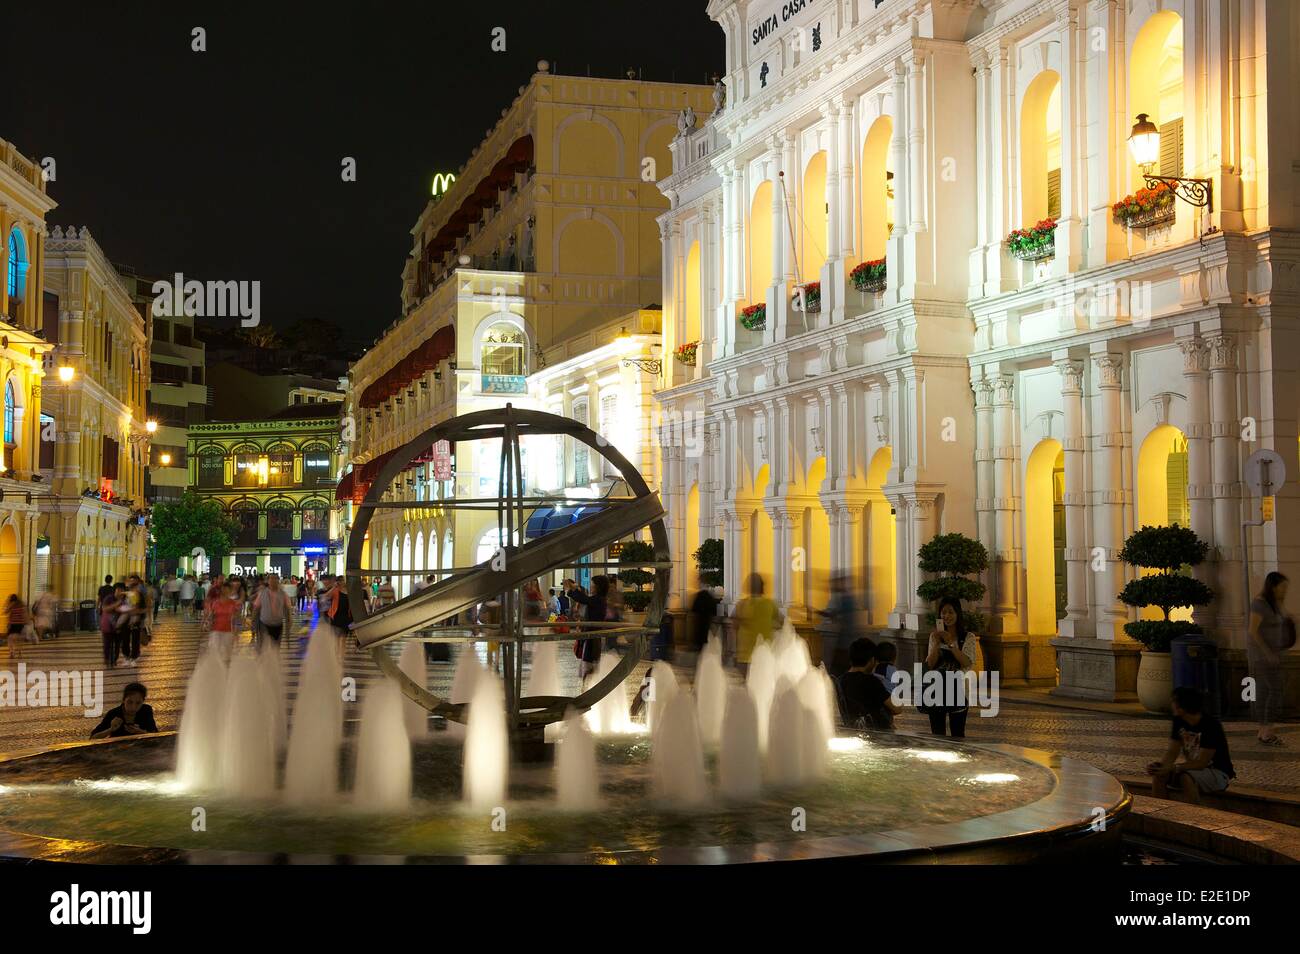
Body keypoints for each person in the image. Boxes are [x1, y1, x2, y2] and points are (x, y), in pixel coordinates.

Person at [1147, 686, 1236, 803]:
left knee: (1186, 777)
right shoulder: (1179, 720)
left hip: (1217, 773)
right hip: (1192, 769)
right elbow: (1172, 751)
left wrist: (1174, 767)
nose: (1171, 704)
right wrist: (1161, 766)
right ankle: (1159, 812)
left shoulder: (1211, 725)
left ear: (1182, 707)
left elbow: (1201, 763)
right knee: (1160, 776)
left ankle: (1193, 815)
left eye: (1174, 701)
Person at [923, 596, 979, 738]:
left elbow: (967, 662)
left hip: (958, 689)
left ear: (958, 614)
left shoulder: (968, 637)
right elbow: (929, 664)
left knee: (957, 733)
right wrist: (936, 643)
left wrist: (951, 644)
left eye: (950, 612)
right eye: (943, 612)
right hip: (936, 689)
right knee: (937, 734)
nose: (947, 616)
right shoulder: (934, 637)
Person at [1247, 571, 1292, 745]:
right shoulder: (1259, 604)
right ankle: (1267, 729)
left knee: (1266, 690)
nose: (1285, 591)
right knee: (1274, 690)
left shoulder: (1274, 604)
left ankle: (1263, 729)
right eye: (1282, 587)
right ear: (1272, 587)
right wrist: (1267, 653)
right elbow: (1253, 631)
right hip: (1263, 656)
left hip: (1273, 654)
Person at [838, 637, 900, 730]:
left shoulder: (841, 680)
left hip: (852, 729)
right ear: (871, 660)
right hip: (876, 732)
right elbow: (896, 709)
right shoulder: (871, 681)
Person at [734, 573, 780, 675]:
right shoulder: (770, 604)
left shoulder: (742, 604)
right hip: (765, 652)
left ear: (748, 587)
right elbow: (781, 622)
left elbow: (735, 624)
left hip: (745, 654)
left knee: (748, 685)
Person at [565, 576, 607, 681]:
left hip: (592, 637)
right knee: (588, 663)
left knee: (589, 664)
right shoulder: (598, 599)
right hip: (591, 636)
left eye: (592, 584)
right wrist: (576, 589)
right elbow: (584, 598)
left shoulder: (598, 599)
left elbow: (583, 599)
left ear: (597, 586)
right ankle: (587, 685)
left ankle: (588, 687)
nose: (591, 586)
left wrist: (572, 590)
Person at [815, 574, 859, 675]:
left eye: (834, 584)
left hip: (846, 643)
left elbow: (833, 614)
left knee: (838, 671)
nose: (832, 587)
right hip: (846, 642)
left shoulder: (847, 600)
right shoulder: (846, 599)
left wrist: (816, 611)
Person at [90, 683, 159, 739]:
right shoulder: (114, 713)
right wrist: (110, 729)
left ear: (143, 701)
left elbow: (157, 736)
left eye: (138, 703)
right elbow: (92, 738)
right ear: (123, 700)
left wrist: (140, 732)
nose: (133, 707)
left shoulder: (146, 710)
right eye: (129, 702)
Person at [204, 582, 241, 663]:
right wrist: (206, 623)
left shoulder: (233, 603)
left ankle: (225, 671)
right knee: (215, 652)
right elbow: (211, 615)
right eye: (223, 590)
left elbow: (237, 618)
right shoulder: (215, 603)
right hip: (216, 631)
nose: (225, 592)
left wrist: (237, 631)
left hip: (228, 631)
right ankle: (216, 670)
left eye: (227, 590)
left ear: (230, 591)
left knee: (227, 654)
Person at [253, 574, 293, 646]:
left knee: (275, 647)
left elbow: (288, 610)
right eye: (271, 579)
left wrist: (288, 624)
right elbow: (256, 608)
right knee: (263, 647)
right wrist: (253, 622)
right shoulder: (262, 593)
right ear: (268, 581)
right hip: (264, 624)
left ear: (278, 581)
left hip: (278, 625)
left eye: (275, 579)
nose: (273, 581)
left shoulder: (283, 594)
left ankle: (274, 657)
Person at [689, 581, 719, 653]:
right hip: (707, 621)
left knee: (699, 637)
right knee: (705, 637)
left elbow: (694, 609)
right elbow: (714, 611)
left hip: (699, 621)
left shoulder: (699, 596)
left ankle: (699, 650)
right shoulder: (710, 597)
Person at [99, 584, 123, 667]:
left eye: (121, 590)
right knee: (107, 644)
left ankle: (114, 659)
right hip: (107, 624)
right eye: (118, 590)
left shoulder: (124, 599)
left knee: (117, 645)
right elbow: (105, 608)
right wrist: (116, 605)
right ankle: (107, 659)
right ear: (115, 591)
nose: (119, 592)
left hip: (118, 625)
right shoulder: (109, 598)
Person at [5, 594, 27, 659]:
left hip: (13, 624)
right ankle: (20, 653)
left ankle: (12, 652)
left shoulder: (11, 605)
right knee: (19, 639)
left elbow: (6, 612)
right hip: (20, 624)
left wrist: (7, 604)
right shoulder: (22, 605)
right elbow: (25, 614)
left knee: (10, 638)